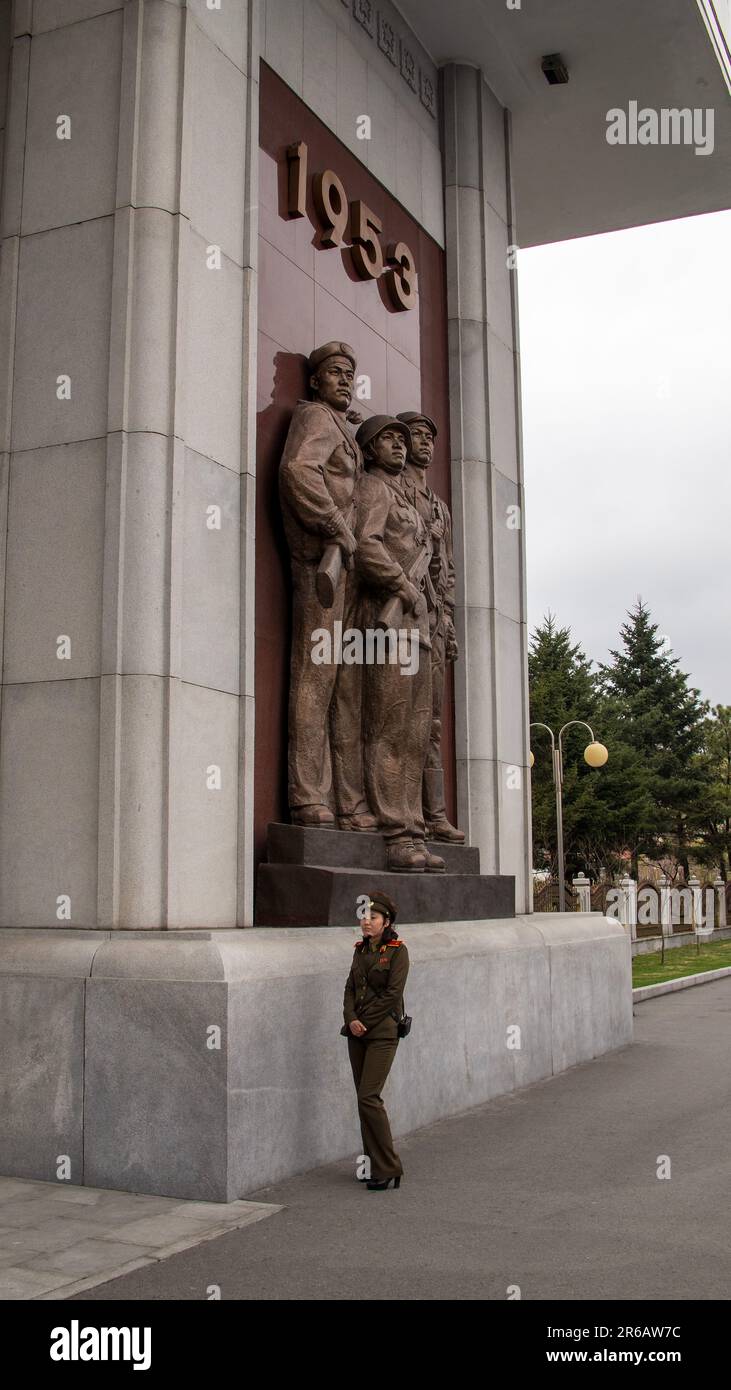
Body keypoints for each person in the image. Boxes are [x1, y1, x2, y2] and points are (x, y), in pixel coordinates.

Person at [278, 341, 377, 831]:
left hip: (349, 569)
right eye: (335, 372)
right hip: (321, 562)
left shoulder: (345, 428)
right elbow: (298, 471)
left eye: (349, 373)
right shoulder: (315, 417)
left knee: (342, 685)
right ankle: (307, 795)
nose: (344, 380)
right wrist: (335, 524)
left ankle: (347, 801)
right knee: (316, 679)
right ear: (315, 380)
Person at [353, 415, 444, 873]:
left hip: (419, 628)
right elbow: (365, 543)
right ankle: (395, 830)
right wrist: (400, 585)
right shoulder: (371, 488)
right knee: (389, 730)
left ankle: (414, 826)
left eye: (402, 441)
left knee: (413, 733)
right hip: (387, 625)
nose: (400, 446)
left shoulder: (408, 497)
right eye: (389, 439)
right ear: (370, 449)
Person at [396, 411, 464, 842]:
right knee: (405, 720)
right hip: (402, 618)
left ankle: (433, 814)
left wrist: (450, 622)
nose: (425, 443)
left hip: (435, 620)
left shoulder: (440, 506)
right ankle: (406, 816)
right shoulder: (392, 491)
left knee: (433, 724)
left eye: (429, 437)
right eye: (417, 435)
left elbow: (449, 571)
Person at [343, 892, 409, 1190]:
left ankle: (388, 1165)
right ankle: (372, 1164)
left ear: (387, 922)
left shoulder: (397, 951)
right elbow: (349, 989)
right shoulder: (360, 950)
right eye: (364, 916)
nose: (366, 922)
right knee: (363, 1100)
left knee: (369, 1097)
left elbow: (392, 994)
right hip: (356, 1033)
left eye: (373, 918)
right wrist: (350, 1018)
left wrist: (364, 1021)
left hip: (382, 1032)